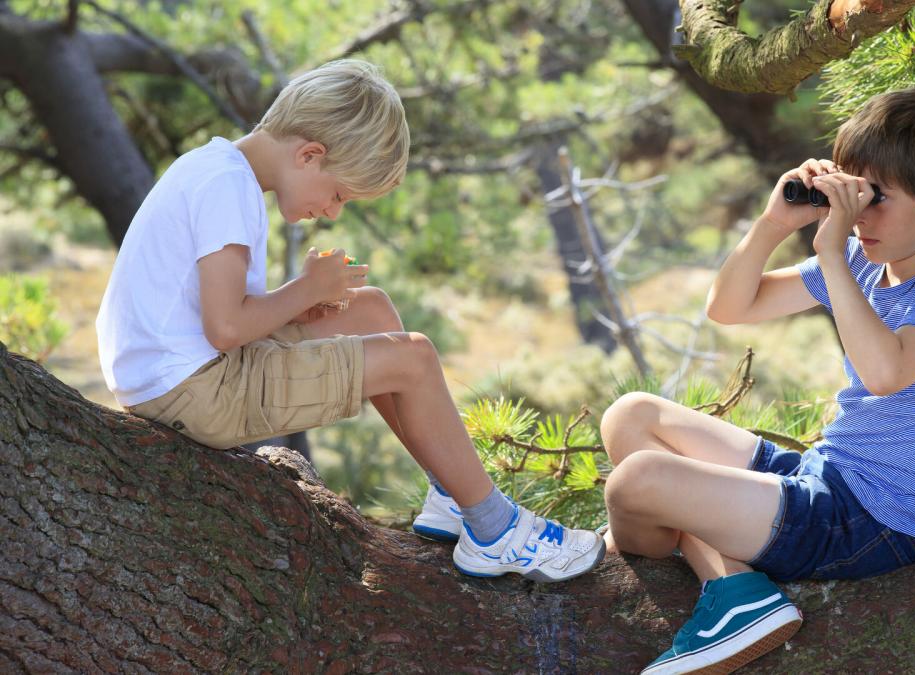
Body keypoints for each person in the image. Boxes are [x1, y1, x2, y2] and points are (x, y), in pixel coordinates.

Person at [96, 59, 604, 583]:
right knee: (414, 359)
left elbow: (203, 315)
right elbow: (224, 330)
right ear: (310, 154)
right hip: (193, 391)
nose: (333, 212)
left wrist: (303, 303)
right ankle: (495, 531)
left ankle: (452, 495)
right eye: (338, 194)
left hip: (176, 373)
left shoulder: (216, 168)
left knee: (370, 310)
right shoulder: (226, 189)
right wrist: (306, 290)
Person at [598, 87, 915, 673]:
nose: (858, 217)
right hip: (824, 476)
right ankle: (734, 588)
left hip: (873, 519)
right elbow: (730, 306)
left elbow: (888, 372)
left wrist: (833, 254)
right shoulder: (865, 256)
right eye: (850, 193)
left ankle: (706, 563)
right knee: (630, 416)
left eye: (876, 198)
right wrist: (772, 222)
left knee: (635, 483)